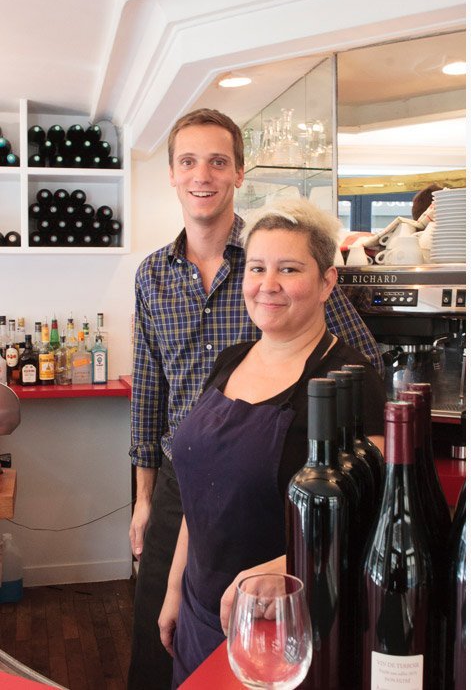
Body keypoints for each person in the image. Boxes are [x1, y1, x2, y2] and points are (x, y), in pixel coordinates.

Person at [128, 108, 383, 690]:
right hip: (186, 476)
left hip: (272, 515)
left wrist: (293, 564)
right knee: (157, 642)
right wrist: (143, 497)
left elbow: (354, 370)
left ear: (239, 173)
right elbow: (149, 387)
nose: (203, 175)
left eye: (218, 161)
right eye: (189, 161)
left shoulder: (275, 251)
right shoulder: (153, 276)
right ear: (171, 173)